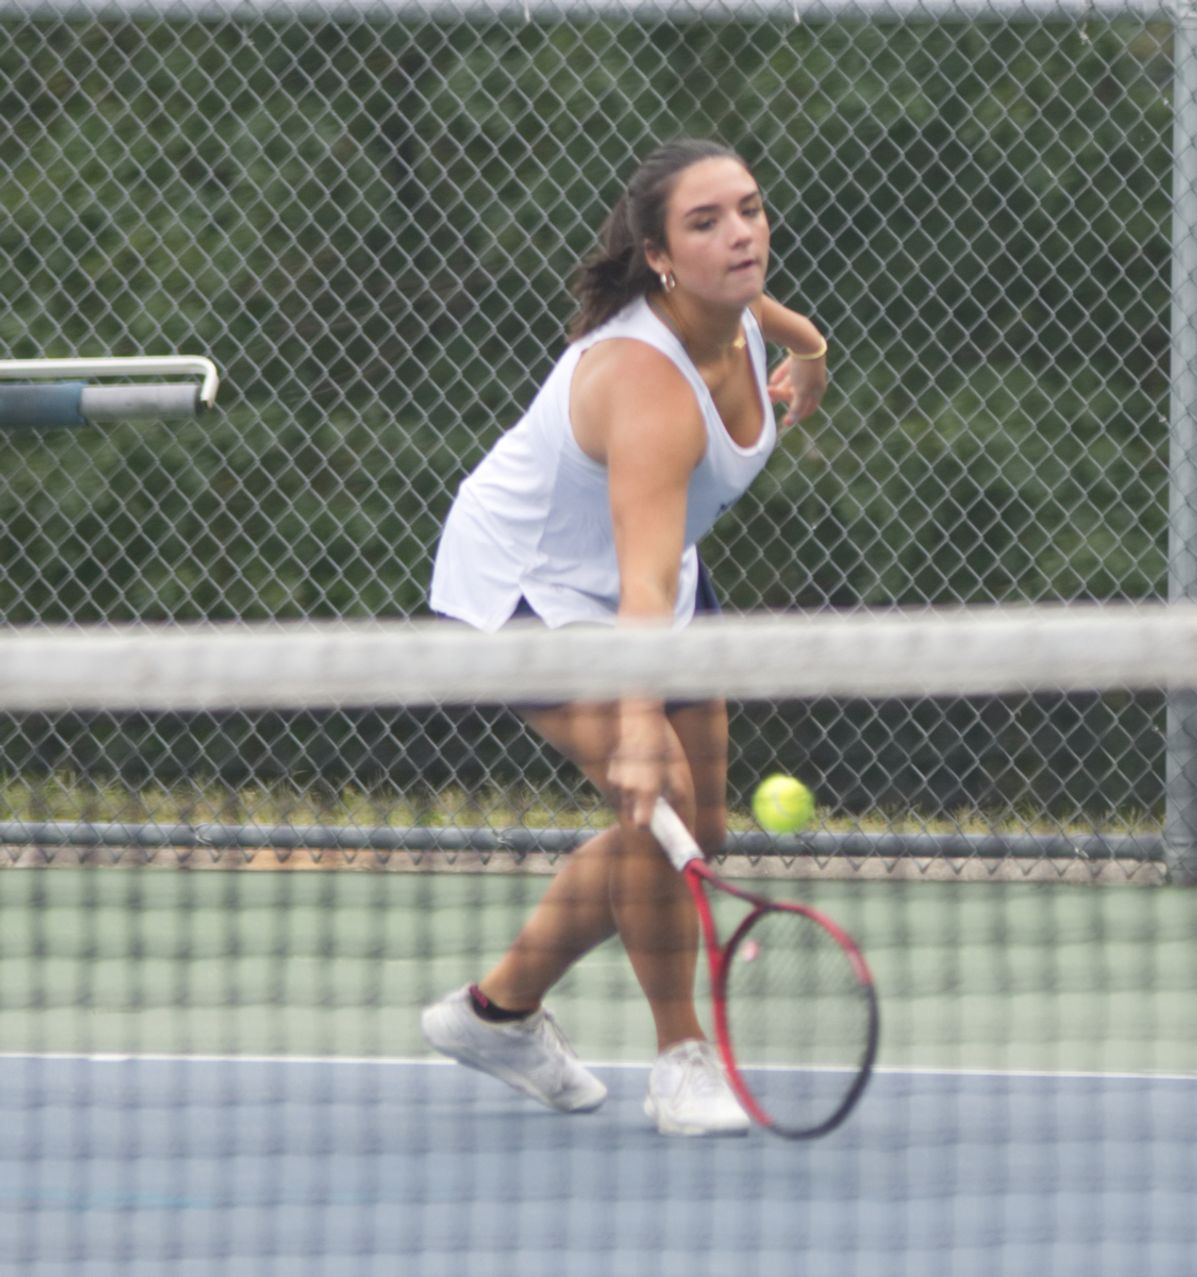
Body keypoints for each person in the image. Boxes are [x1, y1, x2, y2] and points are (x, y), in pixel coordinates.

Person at [422, 138, 828, 1136]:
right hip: (528, 593)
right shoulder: (647, 389)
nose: (740, 233)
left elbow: (754, 310)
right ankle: (682, 1058)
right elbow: (637, 577)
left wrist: (809, 346)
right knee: (664, 801)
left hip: (650, 576)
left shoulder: (728, 311)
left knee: (698, 832)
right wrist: (638, 715)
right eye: (706, 222)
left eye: (750, 208)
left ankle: (496, 1013)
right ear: (658, 257)